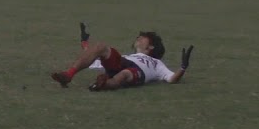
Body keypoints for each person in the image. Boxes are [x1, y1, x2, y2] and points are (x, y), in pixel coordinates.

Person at [49, 22, 193, 91]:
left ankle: (104, 85)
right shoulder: (129, 56)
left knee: (124, 74)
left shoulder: (157, 64)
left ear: (151, 47)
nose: (138, 37)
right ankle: (69, 75)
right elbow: (93, 57)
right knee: (101, 47)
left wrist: (183, 67)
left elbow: (172, 79)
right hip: (123, 63)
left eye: (143, 37)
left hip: (137, 72)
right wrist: (85, 42)